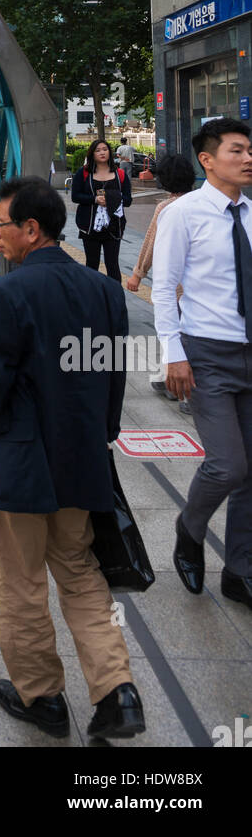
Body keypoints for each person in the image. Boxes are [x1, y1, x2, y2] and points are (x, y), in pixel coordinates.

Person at [0, 176, 145, 741]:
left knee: (20, 581)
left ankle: (42, 697)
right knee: (79, 570)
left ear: (30, 229)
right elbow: (114, 374)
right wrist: (104, 434)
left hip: (20, 466)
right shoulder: (105, 289)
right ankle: (116, 691)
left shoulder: (8, 293)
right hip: (81, 459)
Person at [152, 117, 252, 610]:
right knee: (227, 465)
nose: (248, 158)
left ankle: (240, 571)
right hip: (208, 353)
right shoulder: (184, 214)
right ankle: (190, 528)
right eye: (237, 150)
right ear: (208, 160)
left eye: (249, 150)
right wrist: (174, 353)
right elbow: (164, 286)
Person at [126, 154, 196, 408]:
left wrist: (137, 274)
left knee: (176, 335)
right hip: (196, 289)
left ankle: (184, 391)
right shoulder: (200, 203)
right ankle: (164, 375)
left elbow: (150, 244)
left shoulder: (166, 207)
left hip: (176, 287)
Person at [70, 139, 132, 282]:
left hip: (114, 226)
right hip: (90, 227)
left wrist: (112, 199)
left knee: (113, 265)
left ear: (110, 152)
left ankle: (115, 299)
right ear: (92, 154)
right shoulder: (84, 173)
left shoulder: (120, 174)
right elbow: (75, 196)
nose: (102, 152)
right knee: (91, 264)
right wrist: (95, 200)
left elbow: (128, 200)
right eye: (98, 150)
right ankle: (92, 299)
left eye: (105, 149)